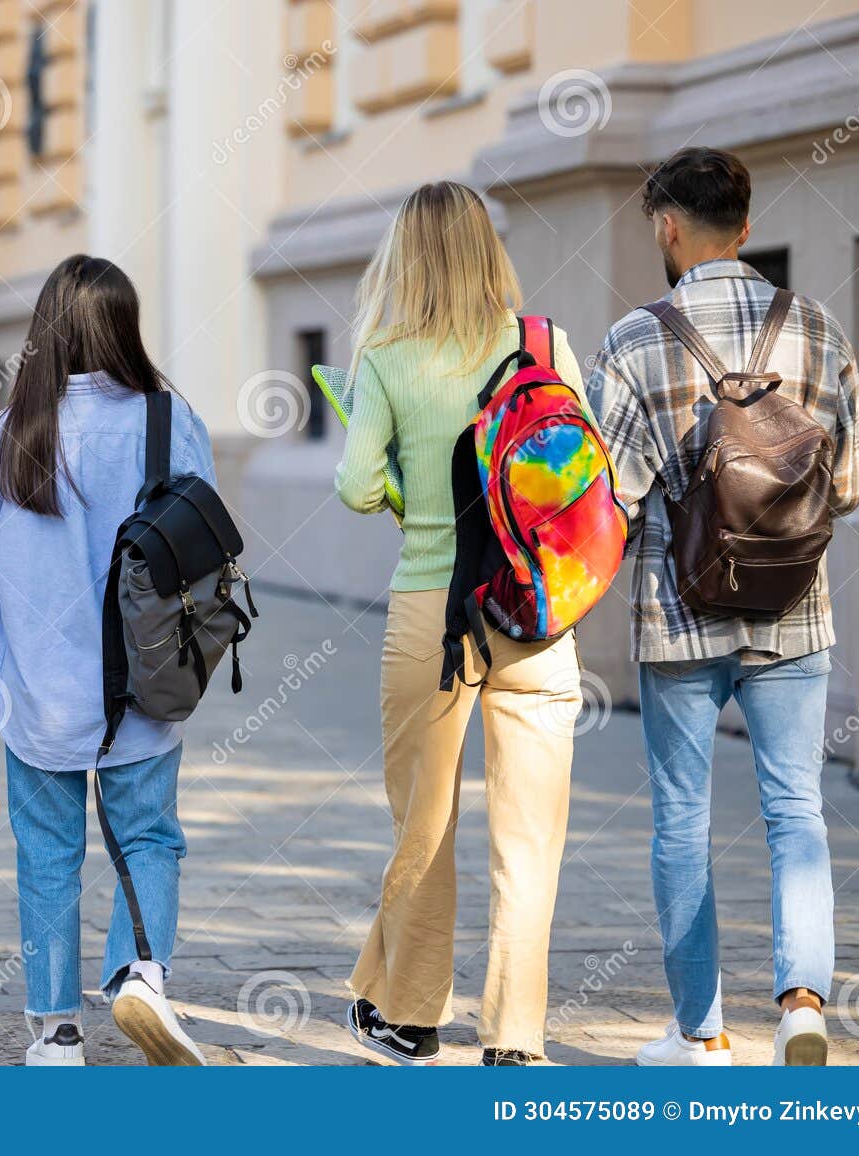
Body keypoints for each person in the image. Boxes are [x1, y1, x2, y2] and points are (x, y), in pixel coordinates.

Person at [587, 147, 859, 1067]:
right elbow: (854, 480)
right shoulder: (820, 329)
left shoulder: (633, 339)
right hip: (796, 608)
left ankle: (700, 1032)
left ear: (668, 227)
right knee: (797, 808)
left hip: (678, 614)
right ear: (747, 226)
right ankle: (800, 1006)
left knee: (683, 816)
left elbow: (614, 495)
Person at [335, 181, 586, 1067]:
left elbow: (358, 487)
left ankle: (409, 1015)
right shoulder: (544, 345)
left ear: (407, 257)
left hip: (432, 615)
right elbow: (577, 474)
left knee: (424, 824)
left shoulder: (388, 359)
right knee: (530, 836)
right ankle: (515, 1039)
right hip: (537, 613)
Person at [0, 255, 213, 1067]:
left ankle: (55, 1032)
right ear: (125, 327)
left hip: (38, 685)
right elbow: (206, 535)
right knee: (149, 837)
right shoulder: (169, 421)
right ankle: (141, 974)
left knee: (46, 851)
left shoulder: (8, 434)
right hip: (146, 679)